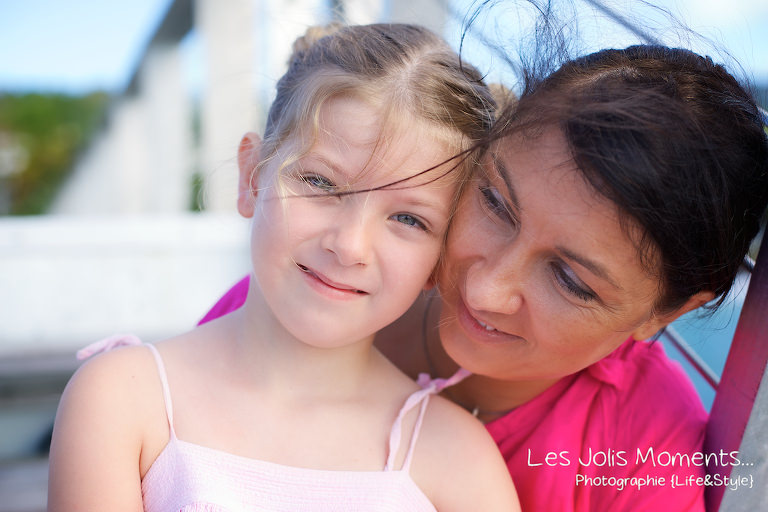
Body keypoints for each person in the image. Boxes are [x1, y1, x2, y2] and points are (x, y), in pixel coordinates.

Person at [198, 41, 768, 512]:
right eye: (496, 204)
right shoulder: (310, 299)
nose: (483, 289)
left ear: (666, 314)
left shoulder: (640, 454)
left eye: (571, 281)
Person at [47, 23, 522, 511]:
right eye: (320, 181)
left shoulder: (457, 460)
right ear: (252, 177)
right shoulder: (123, 400)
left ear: (437, 262)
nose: (349, 246)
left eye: (407, 218)